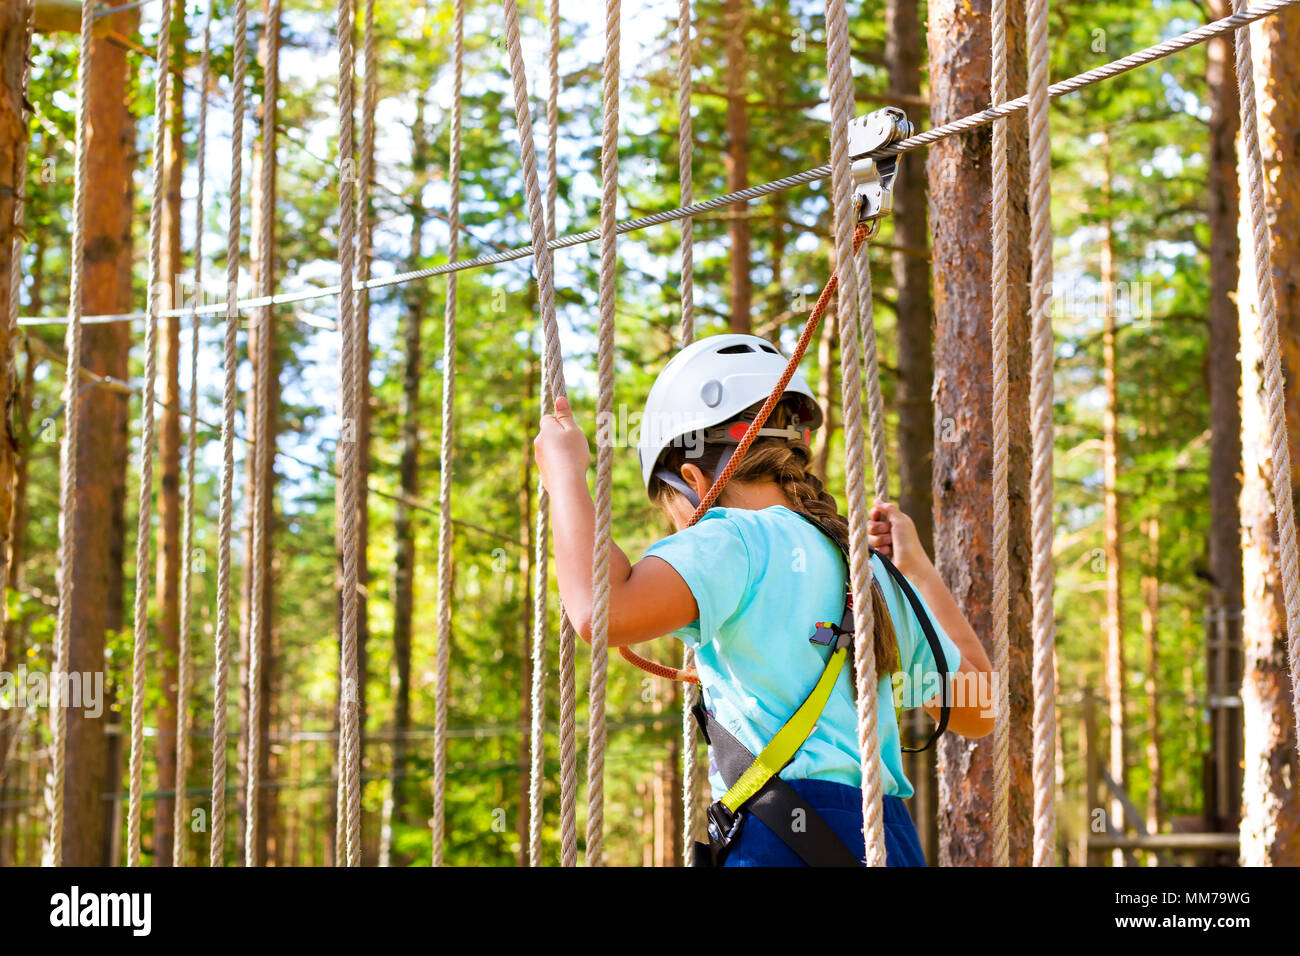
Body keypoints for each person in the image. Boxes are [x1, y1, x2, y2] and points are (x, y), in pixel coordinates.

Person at [534, 333, 995, 866]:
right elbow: (979, 709)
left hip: (781, 842)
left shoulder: (730, 540)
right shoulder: (869, 572)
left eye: (671, 513)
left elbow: (601, 608)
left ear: (691, 479)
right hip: (886, 840)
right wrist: (914, 568)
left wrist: (566, 477)